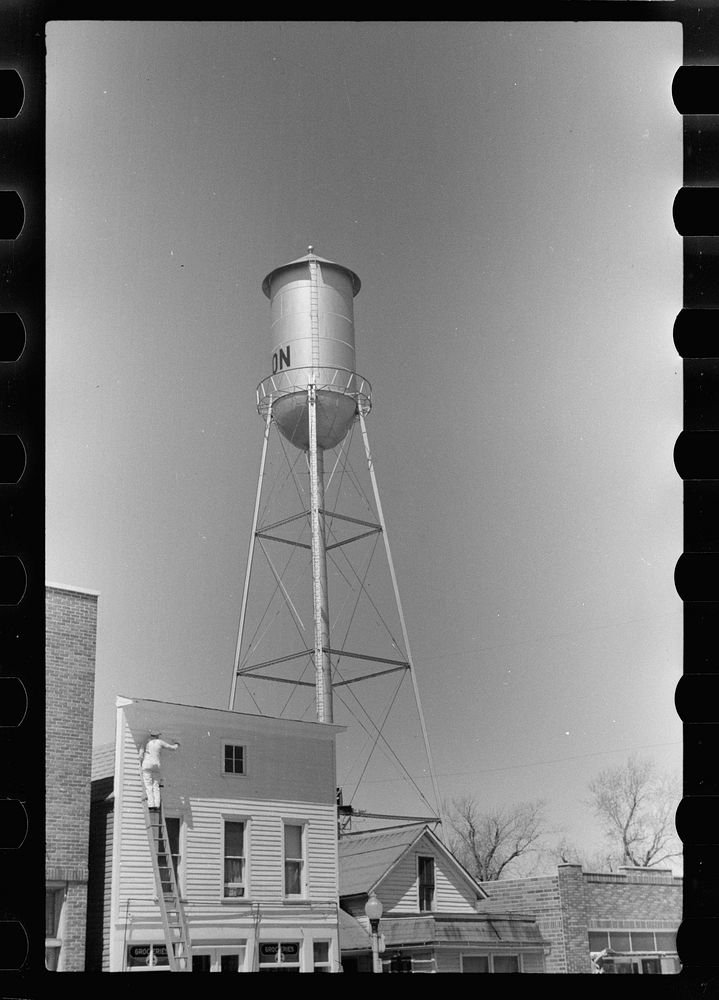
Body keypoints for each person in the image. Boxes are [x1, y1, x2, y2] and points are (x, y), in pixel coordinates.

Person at [140, 731, 180, 809]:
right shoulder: (160, 742)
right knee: (155, 785)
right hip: (156, 766)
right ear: (157, 735)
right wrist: (177, 744)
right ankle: (157, 804)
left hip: (147, 765)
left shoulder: (146, 742)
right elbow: (172, 748)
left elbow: (140, 755)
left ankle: (151, 804)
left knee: (148, 785)